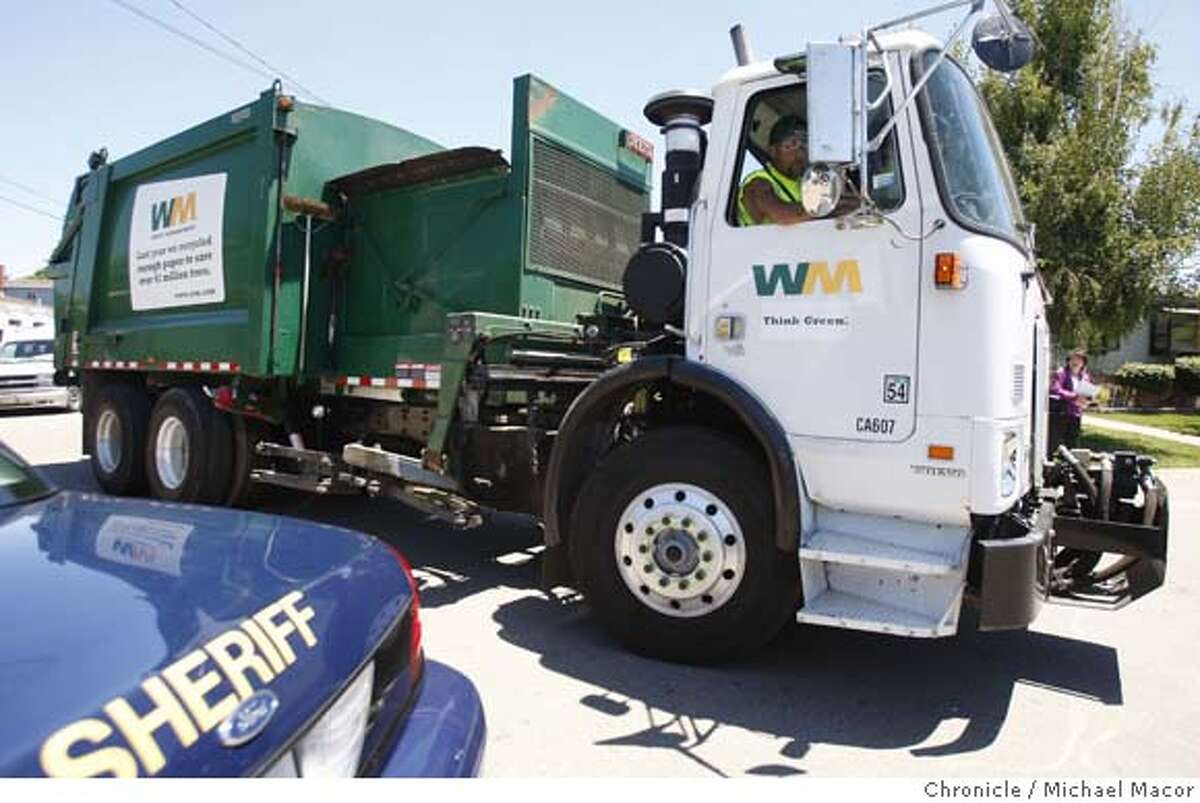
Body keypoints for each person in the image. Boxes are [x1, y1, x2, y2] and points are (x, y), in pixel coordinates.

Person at [736, 115, 812, 226]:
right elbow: (782, 215)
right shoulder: (758, 183)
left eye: (805, 146)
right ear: (772, 151)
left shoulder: (808, 184)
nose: (800, 154)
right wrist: (832, 207)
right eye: (791, 145)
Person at [1049, 349, 1092, 450]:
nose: (1075, 362)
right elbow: (1055, 389)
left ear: (1083, 363)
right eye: (1073, 359)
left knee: (1073, 444)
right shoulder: (1061, 373)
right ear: (1068, 361)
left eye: (1079, 360)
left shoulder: (1085, 377)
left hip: (1076, 414)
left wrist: (1088, 400)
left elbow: (1086, 394)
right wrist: (1073, 396)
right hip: (1061, 414)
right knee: (1054, 444)